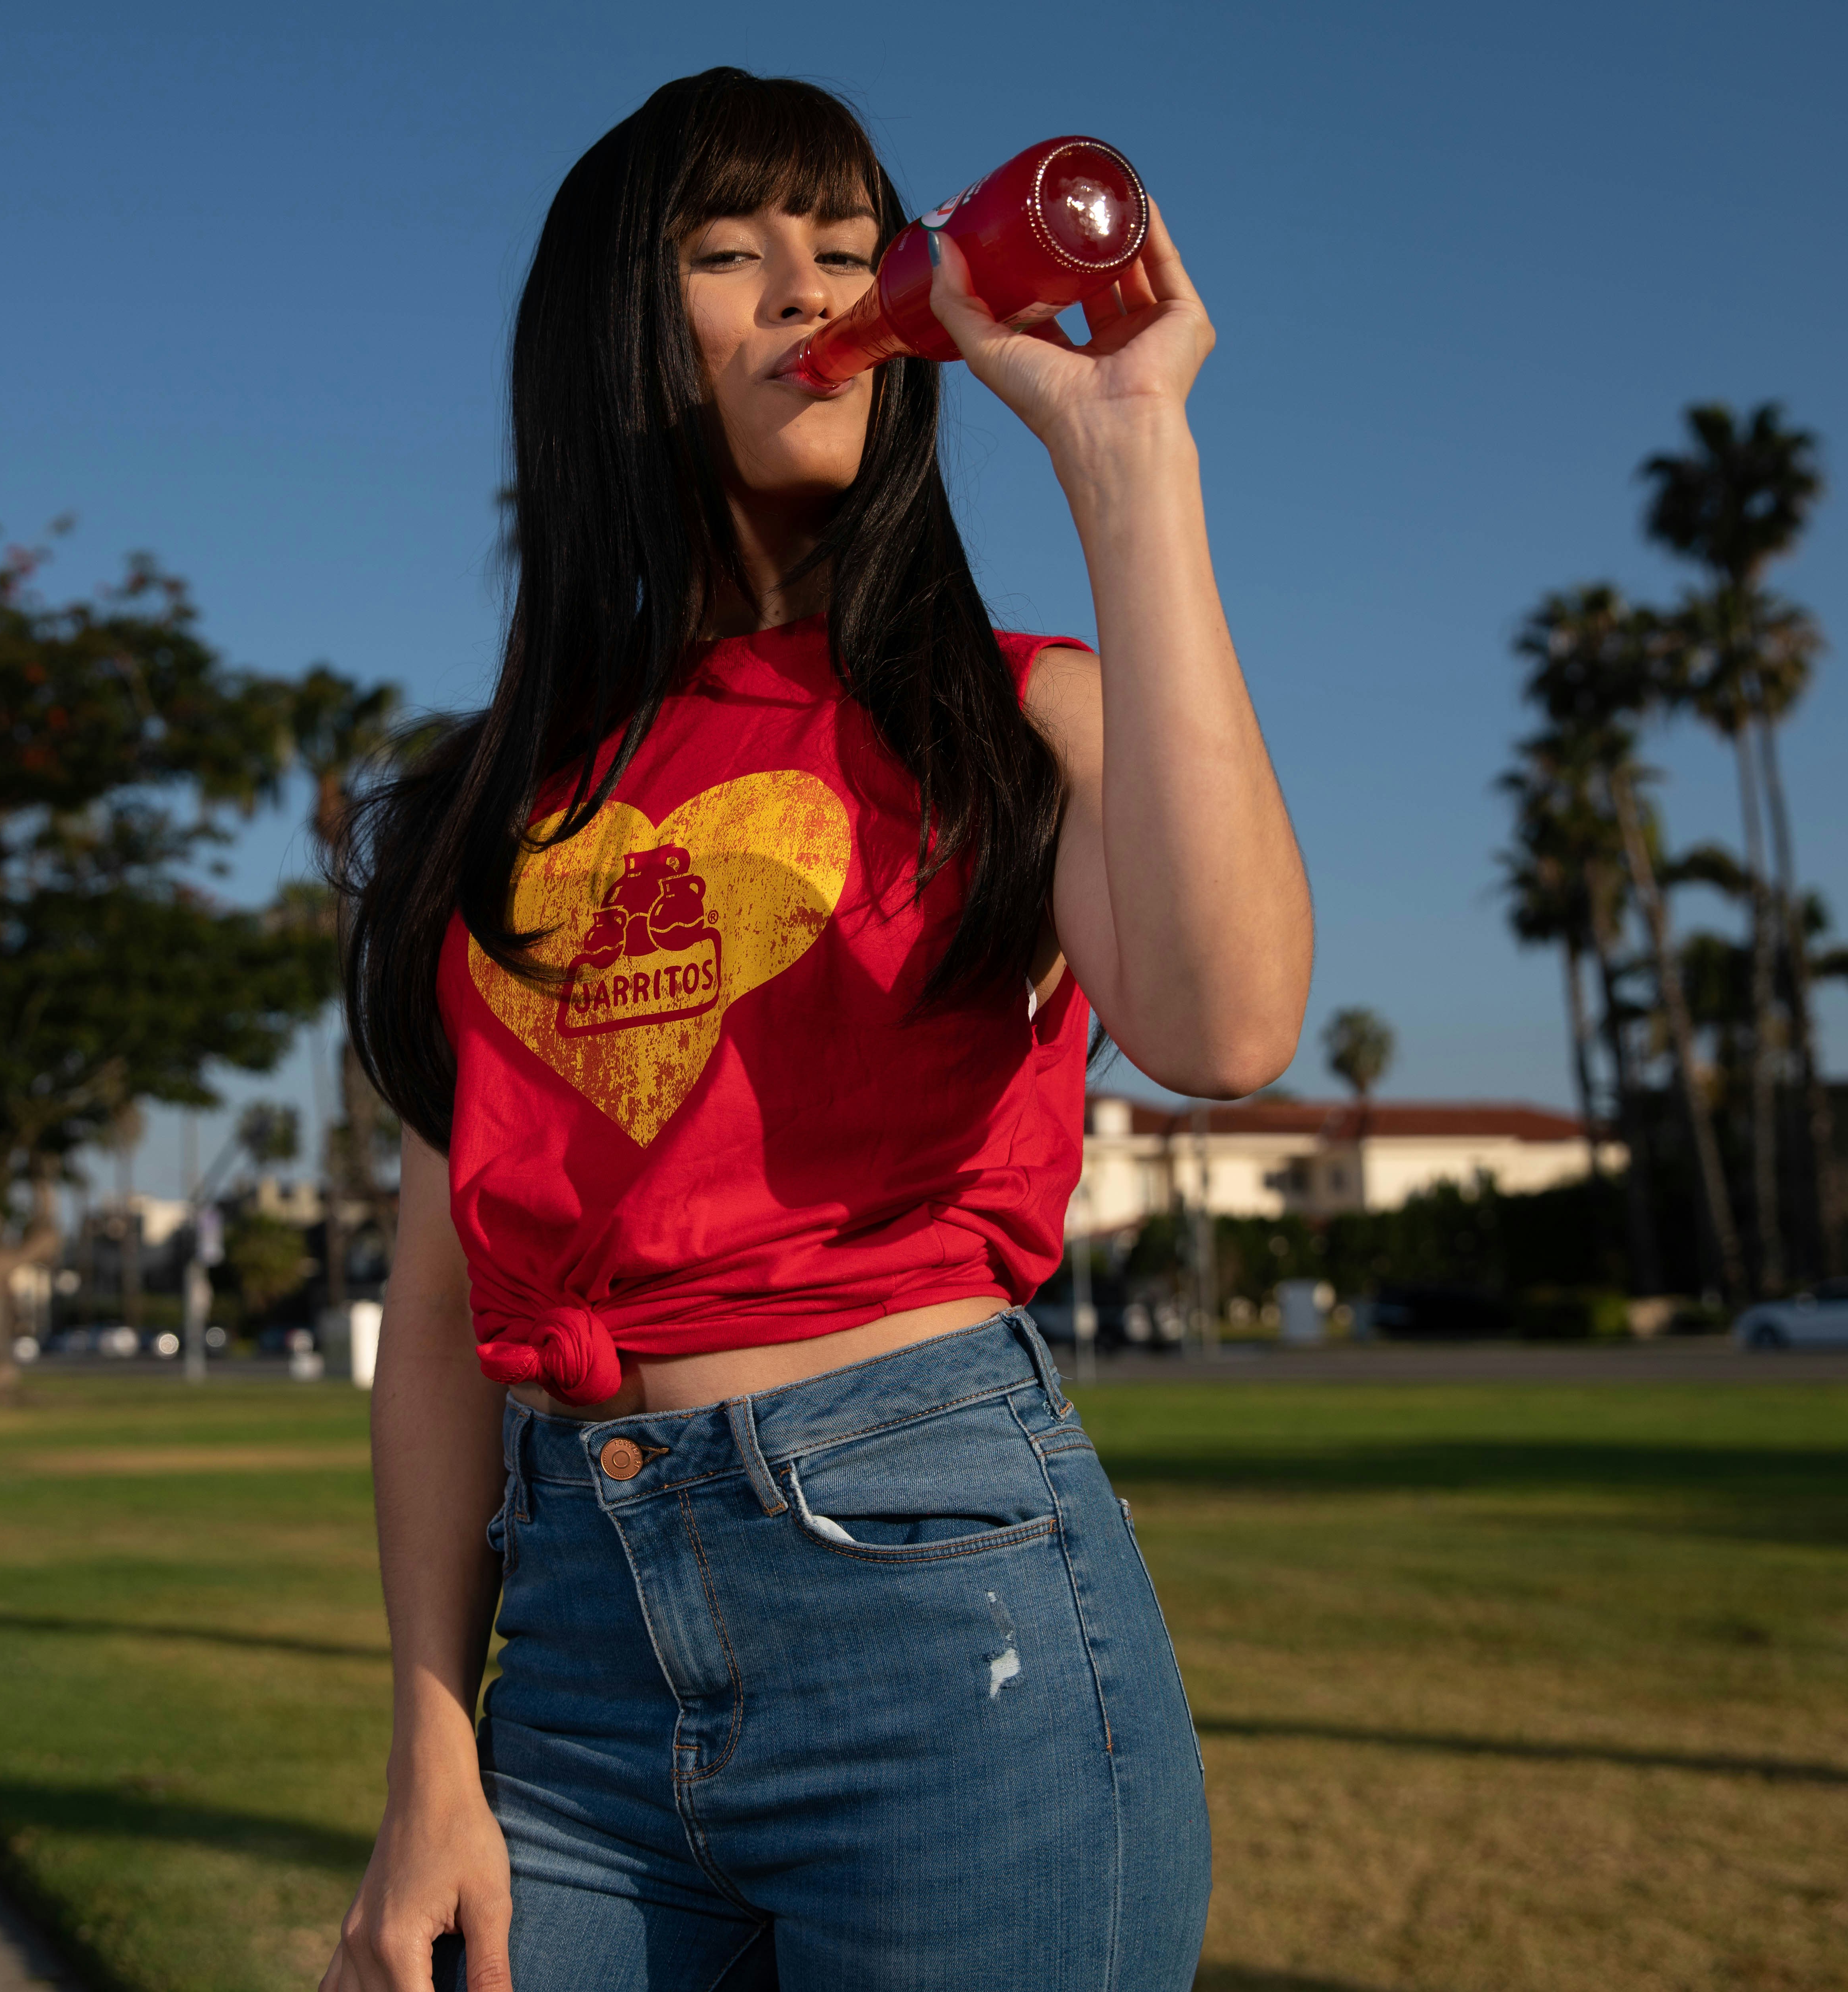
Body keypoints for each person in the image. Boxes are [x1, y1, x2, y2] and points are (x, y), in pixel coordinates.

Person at [322, 67, 1310, 1992]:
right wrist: (428, 1754)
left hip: (947, 1611)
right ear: (616, 329)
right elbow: (441, 1310)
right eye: (729, 247)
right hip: (579, 1668)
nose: (809, 285)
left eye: (850, 249)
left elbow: (1228, 1022)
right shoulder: (490, 811)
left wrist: (1127, 454)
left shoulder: (1019, 718)